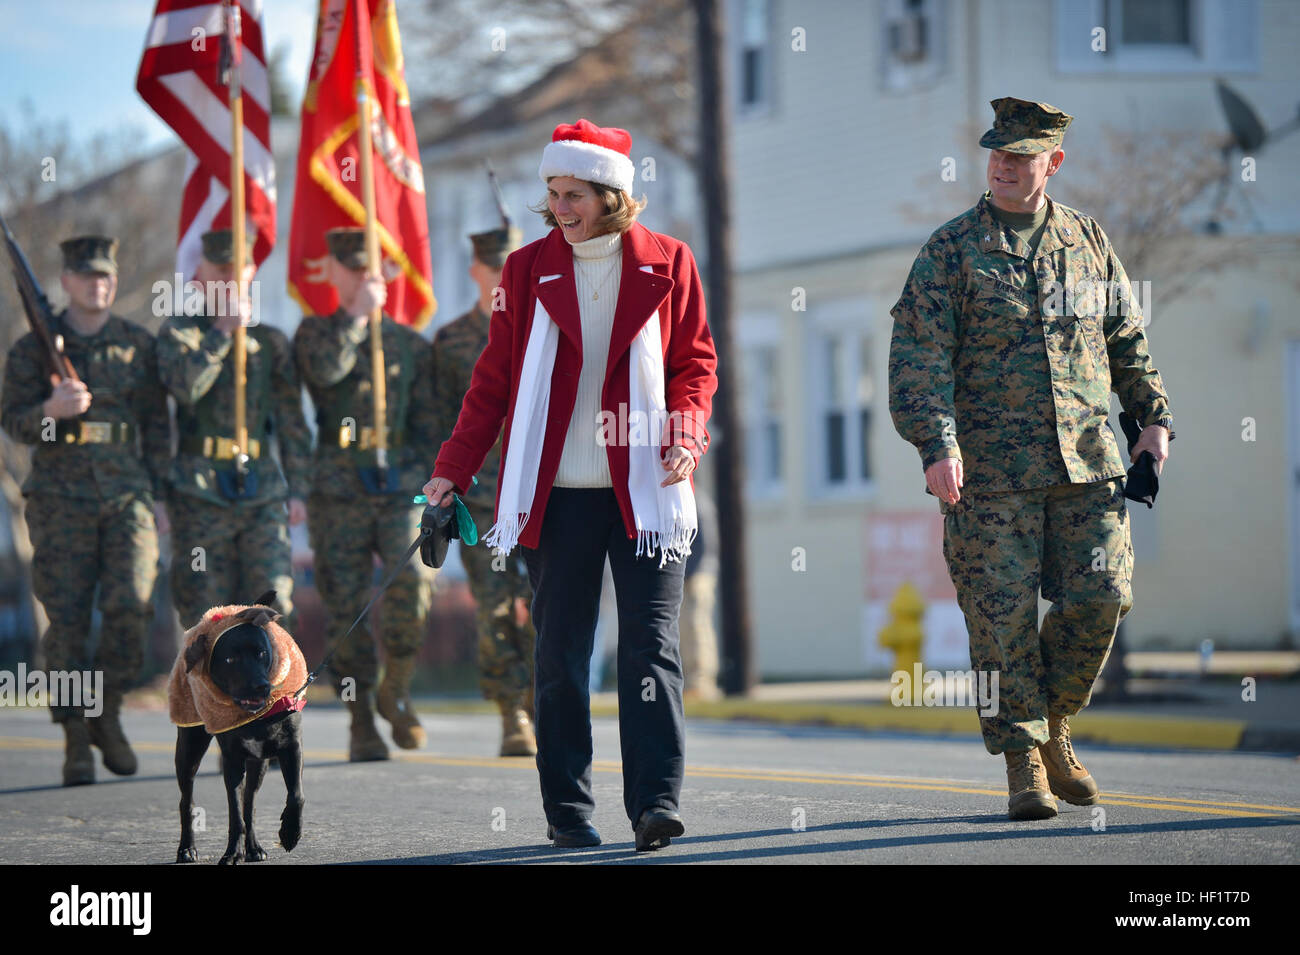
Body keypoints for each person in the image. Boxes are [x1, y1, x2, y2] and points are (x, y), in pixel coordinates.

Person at [423, 119, 717, 851]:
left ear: (612, 194)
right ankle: (568, 809)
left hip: (644, 493)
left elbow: (694, 366)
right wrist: (450, 470)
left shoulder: (668, 262)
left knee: (651, 650)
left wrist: (687, 430)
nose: (561, 207)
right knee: (560, 654)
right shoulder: (526, 271)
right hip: (556, 498)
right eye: (553, 193)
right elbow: (491, 384)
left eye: (575, 193)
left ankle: (656, 802)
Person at [888, 98, 1175, 820]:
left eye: (1020, 156)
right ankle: (1025, 762)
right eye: (997, 154)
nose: (1005, 166)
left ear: (1054, 161)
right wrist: (937, 444)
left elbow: (1125, 340)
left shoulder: (1087, 240)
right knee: (1002, 617)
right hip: (988, 477)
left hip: (1087, 463)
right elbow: (919, 359)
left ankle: (1055, 725)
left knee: (1103, 595)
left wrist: (1152, 419)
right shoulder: (951, 251)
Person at [1, 234, 170, 785]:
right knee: (68, 622)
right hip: (60, 501)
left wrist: (161, 496)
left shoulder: (137, 345)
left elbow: (157, 426)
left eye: (107, 275)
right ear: (66, 282)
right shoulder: (33, 349)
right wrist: (50, 409)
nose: (100, 283)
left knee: (132, 606)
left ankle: (108, 710)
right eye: (88, 275)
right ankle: (76, 735)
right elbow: (13, 421)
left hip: (127, 498)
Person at [294, 227, 437, 762]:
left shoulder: (409, 345)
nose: (359, 277)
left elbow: (428, 423)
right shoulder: (314, 333)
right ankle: (359, 721)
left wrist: (432, 482)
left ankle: (395, 687)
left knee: (414, 586)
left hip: (401, 484)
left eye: (368, 268)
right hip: (338, 487)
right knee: (344, 604)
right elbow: (325, 375)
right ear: (334, 272)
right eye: (350, 268)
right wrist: (356, 319)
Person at [156, 229, 311, 629]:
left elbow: (292, 422)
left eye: (237, 271)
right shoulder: (180, 334)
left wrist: (299, 490)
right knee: (206, 615)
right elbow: (185, 388)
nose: (230, 281)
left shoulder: (271, 342)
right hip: (199, 493)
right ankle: (206, 694)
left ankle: (269, 692)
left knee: (273, 605)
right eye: (220, 271)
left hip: (260, 492)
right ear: (199, 277)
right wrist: (222, 333)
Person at [431, 222, 539, 757]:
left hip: (539, 491)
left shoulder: (540, 325)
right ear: (476, 271)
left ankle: (545, 700)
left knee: (546, 603)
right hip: (481, 499)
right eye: (493, 267)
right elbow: (442, 422)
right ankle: (511, 712)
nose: (501, 276)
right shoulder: (450, 342)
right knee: (495, 606)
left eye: (509, 266)